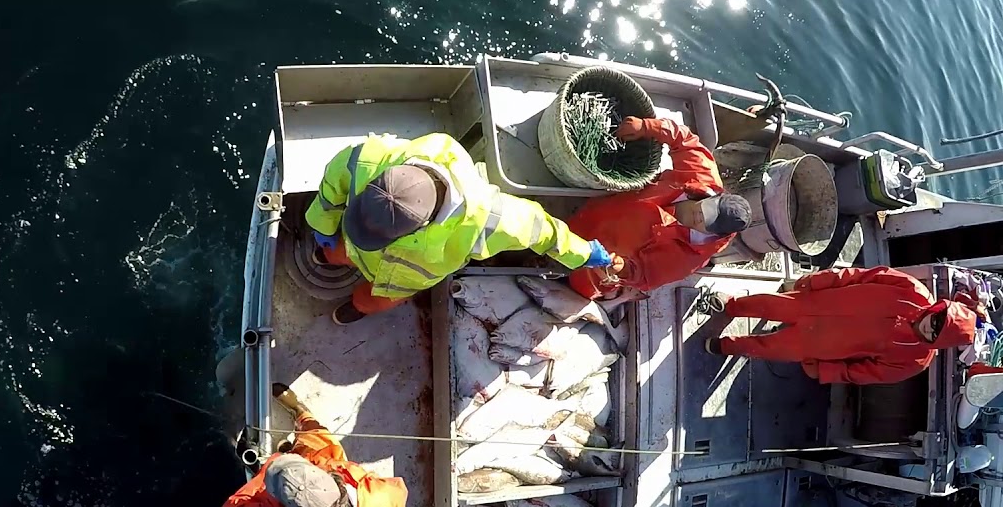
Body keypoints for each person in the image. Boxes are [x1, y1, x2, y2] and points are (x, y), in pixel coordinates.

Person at [305, 132, 616, 325]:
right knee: (337, 250)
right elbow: (331, 190)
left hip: (402, 280)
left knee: (373, 299)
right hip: (355, 248)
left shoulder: (490, 217)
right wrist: (324, 226)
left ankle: (358, 305)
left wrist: (584, 252)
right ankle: (329, 255)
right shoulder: (365, 158)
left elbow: (543, 230)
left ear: (420, 226)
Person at [218, 383, 408, 507]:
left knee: (318, 453)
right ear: (332, 481)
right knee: (325, 448)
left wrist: (268, 467)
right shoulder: (382, 498)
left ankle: (288, 450)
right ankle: (302, 414)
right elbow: (399, 492)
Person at [566, 116, 752, 301]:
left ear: (716, 234)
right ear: (716, 197)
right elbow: (683, 139)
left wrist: (622, 269)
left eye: (710, 223)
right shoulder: (703, 176)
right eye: (710, 209)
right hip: (595, 213)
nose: (701, 216)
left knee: (575, 279)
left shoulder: (687, 260)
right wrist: (647, 126)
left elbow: (645, 276)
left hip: (593, 266)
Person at [703, 266, 978, 385]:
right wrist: (821, 280)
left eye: (937, 333)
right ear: (940, 307)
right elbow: (862, 275)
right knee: (766, 304)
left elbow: (864, 373)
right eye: (938, 319)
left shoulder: (915, 361)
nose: (932, 325)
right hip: (816, 303)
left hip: (818, 345)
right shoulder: (914, 289)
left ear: (940, 344)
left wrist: (826, 371)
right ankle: (731, 305)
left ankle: (726, 346)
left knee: (767, 347)